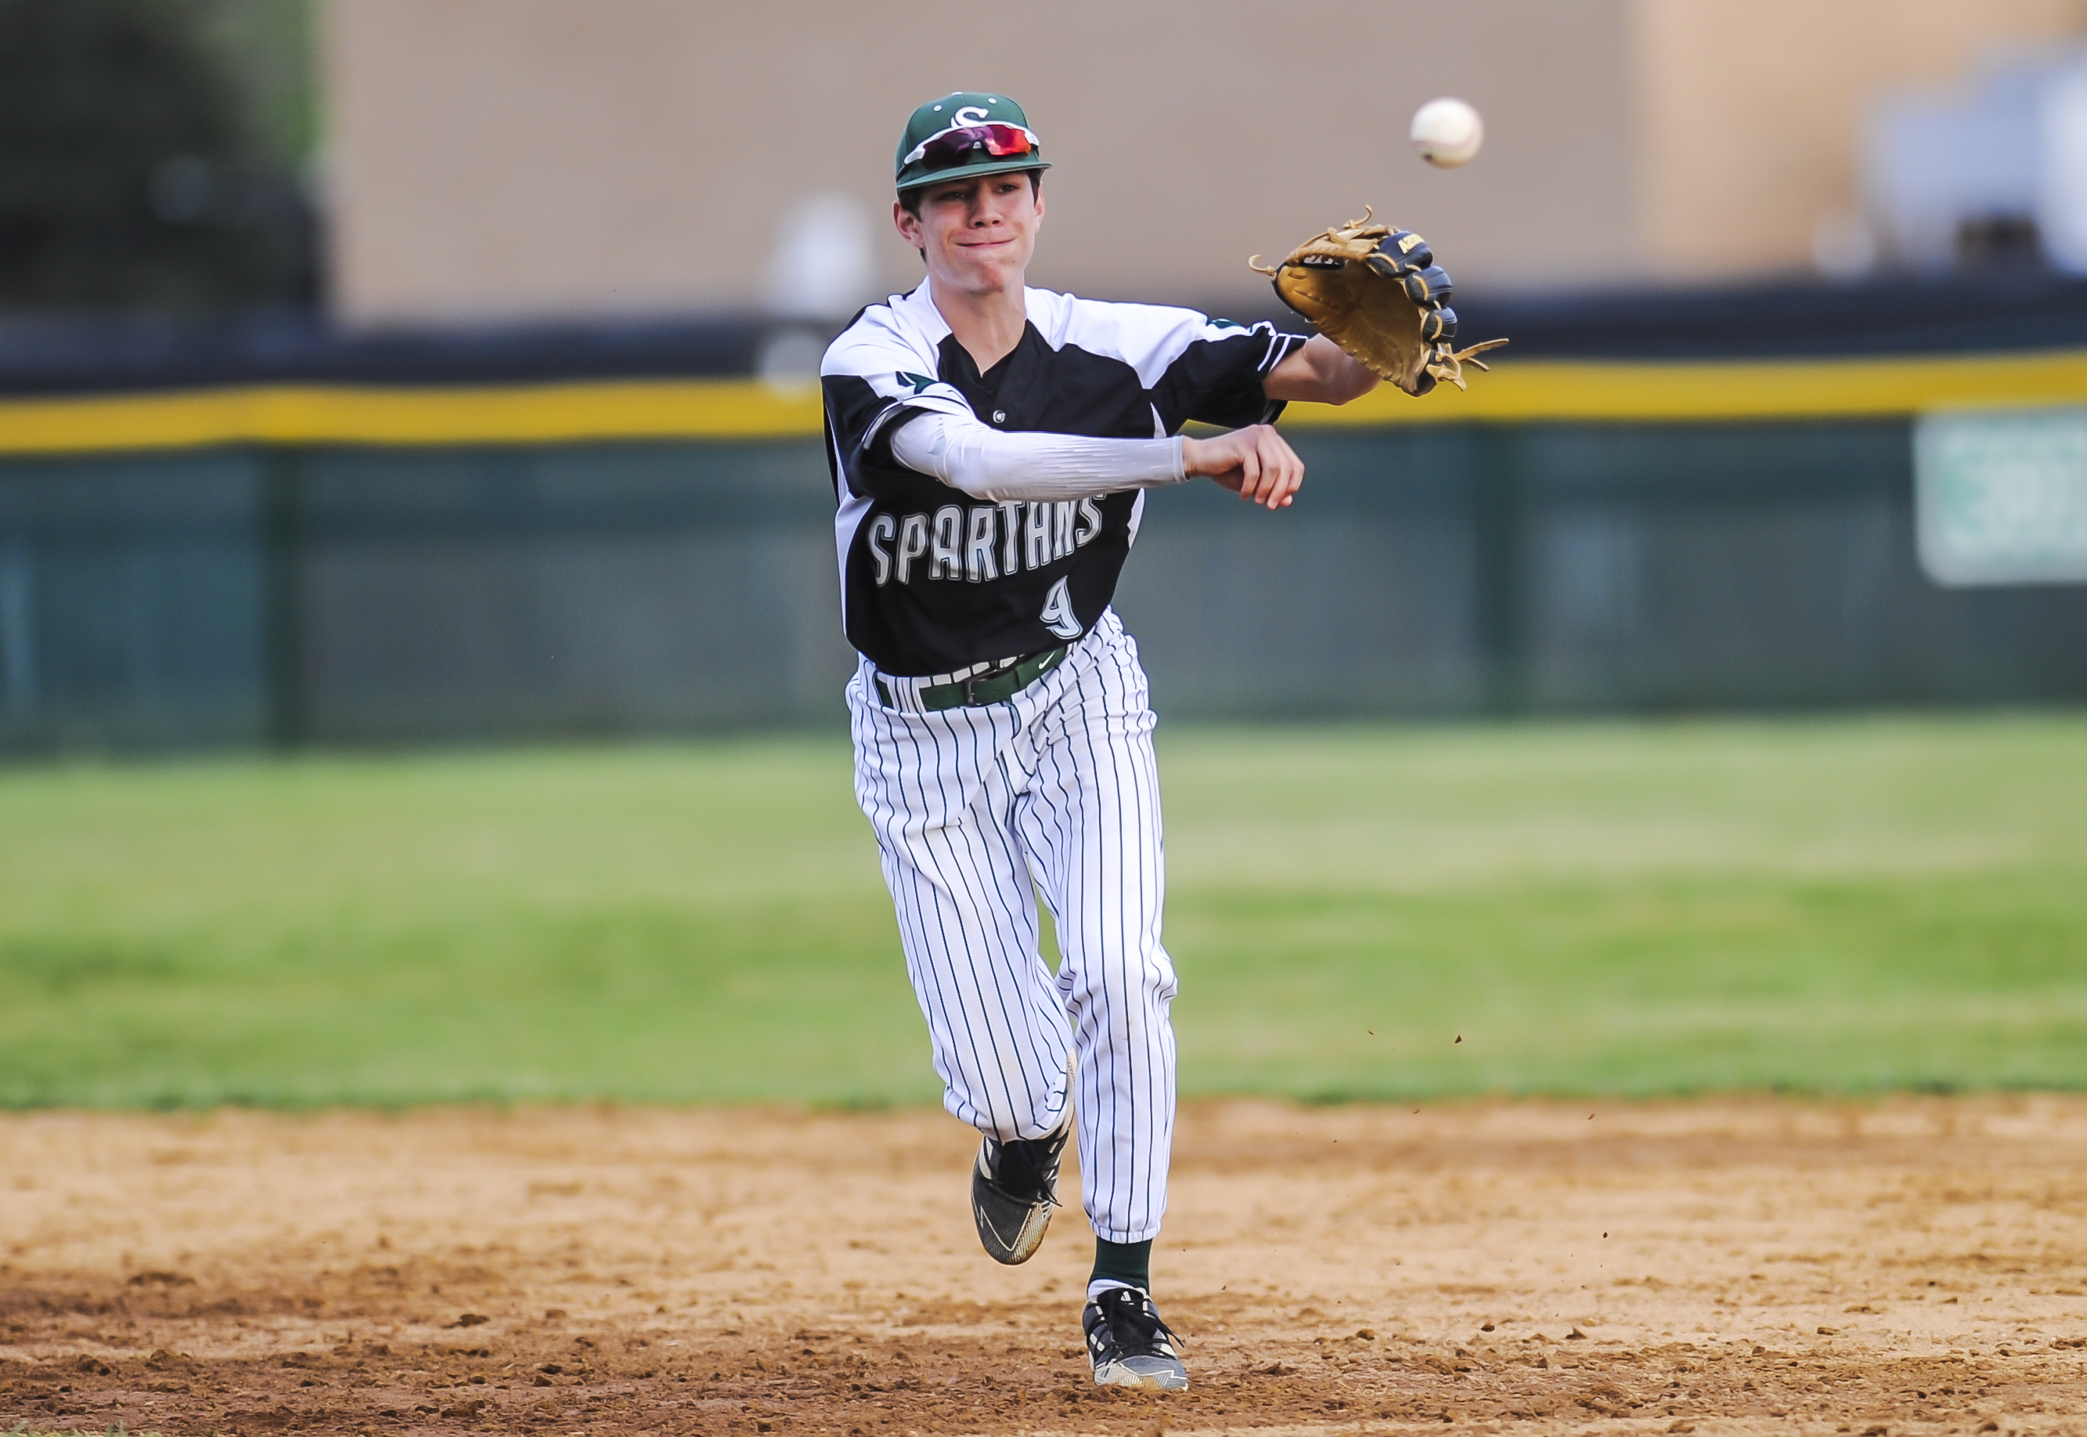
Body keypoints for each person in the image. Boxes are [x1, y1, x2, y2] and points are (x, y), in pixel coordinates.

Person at [819, 92, 1378, 1392]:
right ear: (911, 222)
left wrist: (1368, 341)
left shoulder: (1116, 342)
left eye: (1007, 186)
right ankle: (1024, 1136)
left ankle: (1124, 1284)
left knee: (1124, 974)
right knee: (1013, 1076)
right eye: (954, 194)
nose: (984, 212)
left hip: (1077, 696)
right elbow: (975, 462)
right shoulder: (871, 360)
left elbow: (1310, 374)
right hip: (920, 748)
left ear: (1038, 206)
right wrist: (1189, 458)